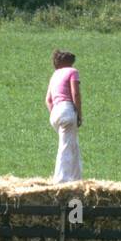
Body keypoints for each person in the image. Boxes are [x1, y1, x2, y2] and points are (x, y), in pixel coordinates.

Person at [46, 49, 82, 182]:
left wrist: (55, 113)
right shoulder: (73, 72)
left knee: (73, 145)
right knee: (66, 146)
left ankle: (77, 178)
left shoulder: (55, 75)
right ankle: (61, 180)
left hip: (55, 112)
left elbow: (48, 100)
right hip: (67, 110)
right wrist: (79, 114)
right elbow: (75, 94)